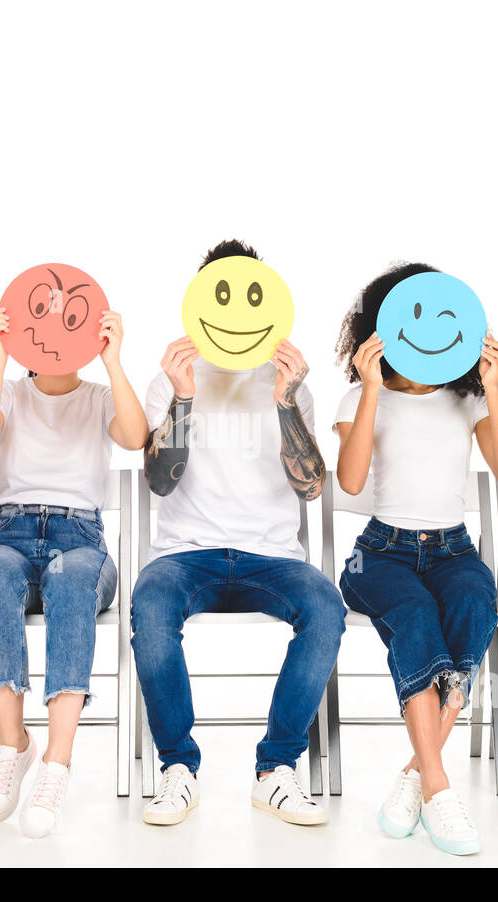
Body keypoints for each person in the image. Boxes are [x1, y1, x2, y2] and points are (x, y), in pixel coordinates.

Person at [131, 239, 345, 828]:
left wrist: (286, 402)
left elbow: (310, 486)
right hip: (185, 555)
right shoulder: (170, 379)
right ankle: (178, 767)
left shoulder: (290, 382)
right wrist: (183, 397)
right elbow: (160, 482)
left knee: (325, 607)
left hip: (272, 557)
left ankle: (276, 770)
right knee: (151, 606)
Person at [333, 263, 498, 855]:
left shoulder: (467, 400)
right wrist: (371, 388)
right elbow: (351, 478)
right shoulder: (359, 396)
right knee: (415, 615)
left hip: (452, 549)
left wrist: (493, 388)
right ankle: (440, 787)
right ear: (381, 326)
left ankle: (417, 773)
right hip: (379, 553)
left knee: (475, 603)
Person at [0, 300, 147, 838]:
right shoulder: (11, 392)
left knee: (68, 583)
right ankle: (13, 744)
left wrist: (114, 361)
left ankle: (57, 762)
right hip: (11, 533)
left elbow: (136, 438)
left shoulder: (99, 396)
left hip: (80, 538)